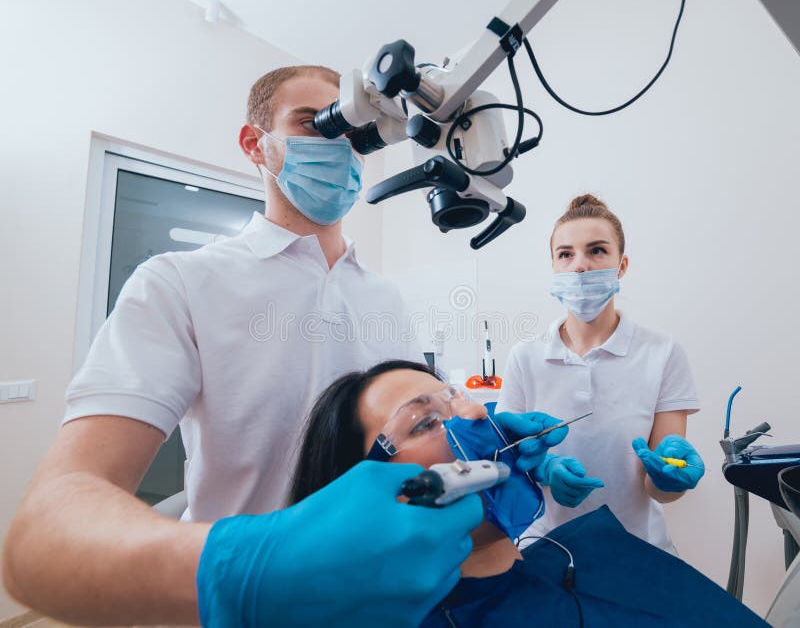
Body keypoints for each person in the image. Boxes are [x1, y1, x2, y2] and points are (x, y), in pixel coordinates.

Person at [2, 65, 481, 627]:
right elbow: (42, 539)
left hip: (387, 600)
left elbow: (415, 431)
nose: (340, 144)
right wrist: (245, 567)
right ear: (257, 144)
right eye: (317, 123)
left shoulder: (384, 296)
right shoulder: (179, 283)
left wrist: (482, 437)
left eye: (353, 132)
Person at [289, 359, 766, 627]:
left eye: (455, 396)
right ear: (362, 492)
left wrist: (664, 479)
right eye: (427, 421)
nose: (477, 415)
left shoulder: (586, 553)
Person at [496, 193, 704, 554]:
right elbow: (504, 464)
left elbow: (662, 490)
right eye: (565, 254)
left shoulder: (662, 352)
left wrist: (671, 479)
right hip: (545, 548)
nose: (580, 266)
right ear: (554, 268)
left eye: (596, 251)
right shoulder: (524, 357)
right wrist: (542, 468)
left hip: (638, 549)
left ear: (621, 265)